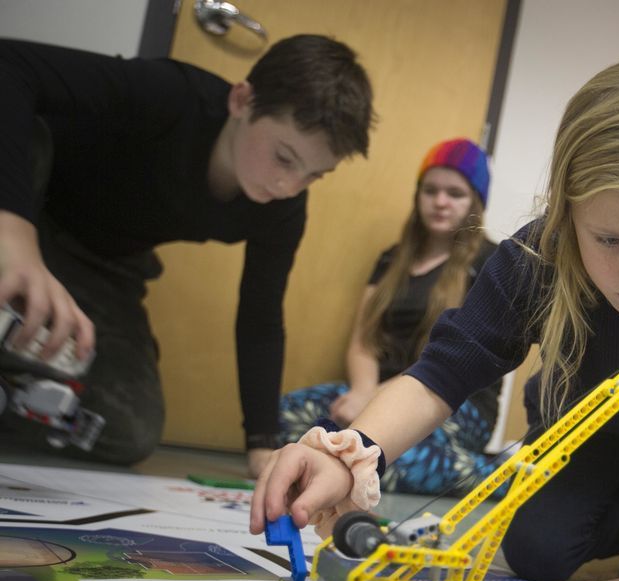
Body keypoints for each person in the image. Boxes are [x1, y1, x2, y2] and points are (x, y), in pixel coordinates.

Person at [250, 51, 619, 581]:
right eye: (610, 240)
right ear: (568, 209)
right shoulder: (535, 255)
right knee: (538, 552)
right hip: (582, 425)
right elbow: (442, 372)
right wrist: (351, 456)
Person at [0, 35, 374, 476]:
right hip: (31, 212)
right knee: (32, 138)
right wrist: (15, 231)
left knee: (132, 430)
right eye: (284, 158)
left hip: (107, 267)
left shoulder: (283, 209)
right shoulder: (174, 95)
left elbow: (261, 315)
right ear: (242, 101)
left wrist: (261, 445)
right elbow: (11, 64)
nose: (288, 187)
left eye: (314, 175)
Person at [278, 138, 501, 496]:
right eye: (430, 190)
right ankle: (414, 460)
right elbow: (363, 339)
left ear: (475, 201)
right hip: (380, 393)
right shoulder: (391, 259)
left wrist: (378, 402)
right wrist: (364, 392)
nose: (440, 201)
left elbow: (460, 359)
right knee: (289, 414)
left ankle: (498, 476)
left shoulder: (491, 262)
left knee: (386, 458)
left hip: (457, 401)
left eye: (455, 193)